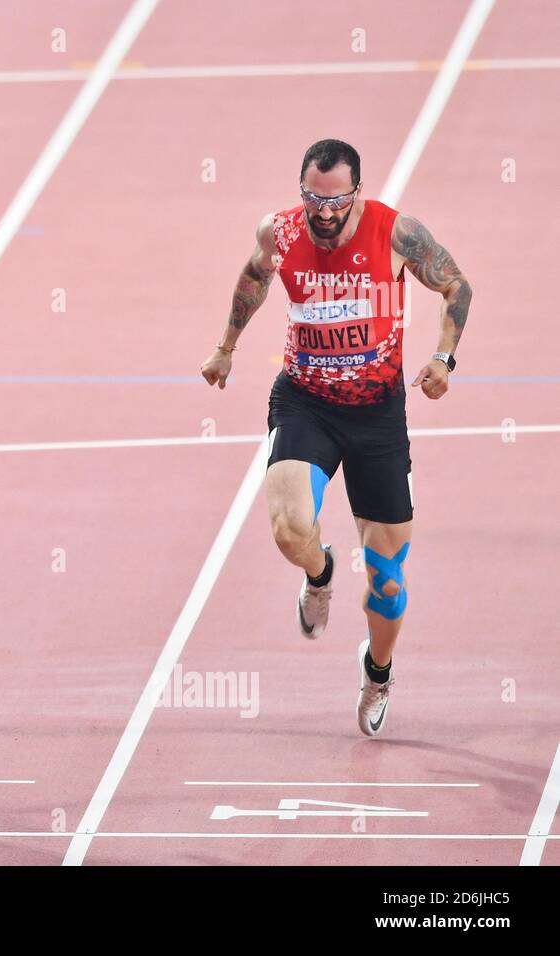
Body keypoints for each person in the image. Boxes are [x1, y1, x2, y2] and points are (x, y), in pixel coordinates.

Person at [200, 139, 472, 736]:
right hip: (305, 402)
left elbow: (457, 287)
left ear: (358, 192)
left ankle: (378, 670)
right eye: (313, 199)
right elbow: (253, 279)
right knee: (289, 528)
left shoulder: (396, 233)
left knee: (388, 579)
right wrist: (226, 348)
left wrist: (444, 358)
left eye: (336, 201)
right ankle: (320, 575)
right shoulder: (282, 232)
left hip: (377, 416)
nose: (324, 213)